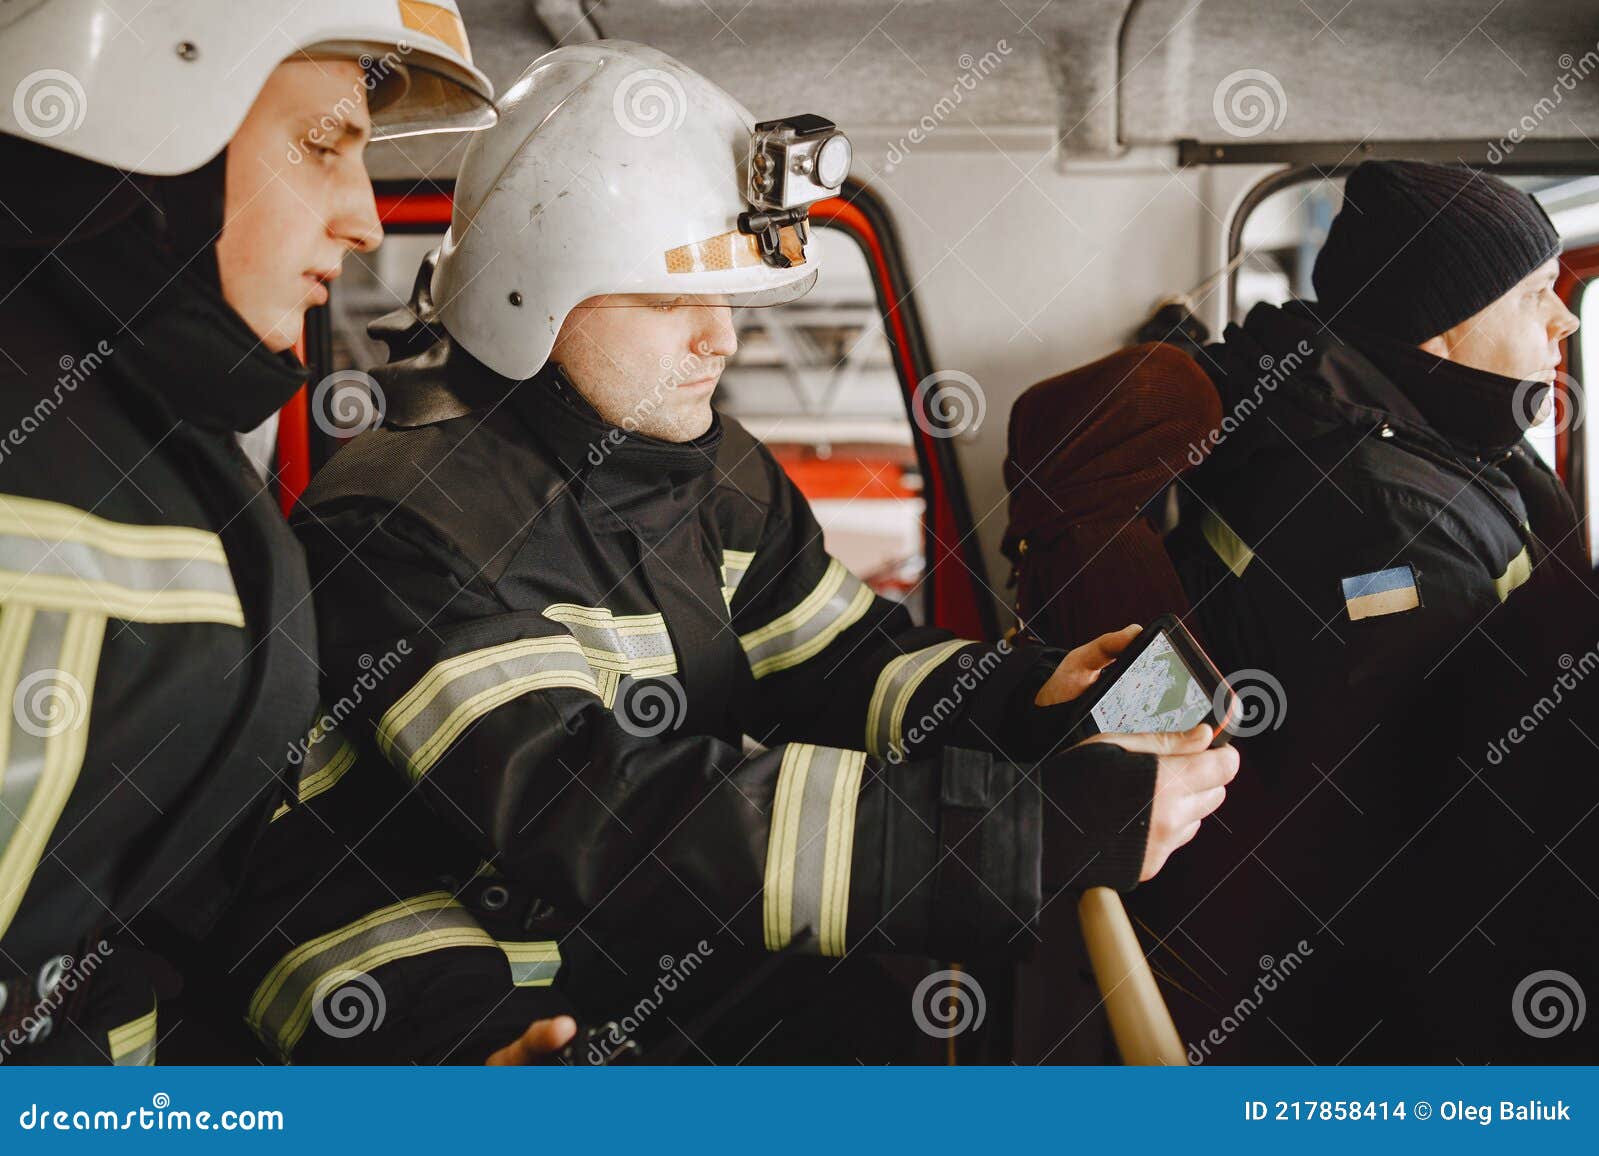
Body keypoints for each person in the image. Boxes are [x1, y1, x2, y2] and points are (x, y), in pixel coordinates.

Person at [278, 40, 1239, 1062]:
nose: (722, 338)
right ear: (525, 295)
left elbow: (842, 663)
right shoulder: (401, 523)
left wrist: (1025, 697)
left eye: (729, 296)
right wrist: (1019, 835)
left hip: (661, 954)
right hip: (474, 1023)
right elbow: (597, 809)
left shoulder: (705, 465)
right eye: (668, 298)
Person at [0, 0, 566, 1065]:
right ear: (142, 121)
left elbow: (221, 868)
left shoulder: (155, 444)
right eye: (321, 146)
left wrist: (449, 1053)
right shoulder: (63, 469)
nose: (363, 220)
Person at [1127, 160, 1599, 1062]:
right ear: (1445, 324)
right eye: (1536, 292)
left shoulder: (1398, 430)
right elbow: (1452, 818)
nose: (1565, 319)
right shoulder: (1391, 515)